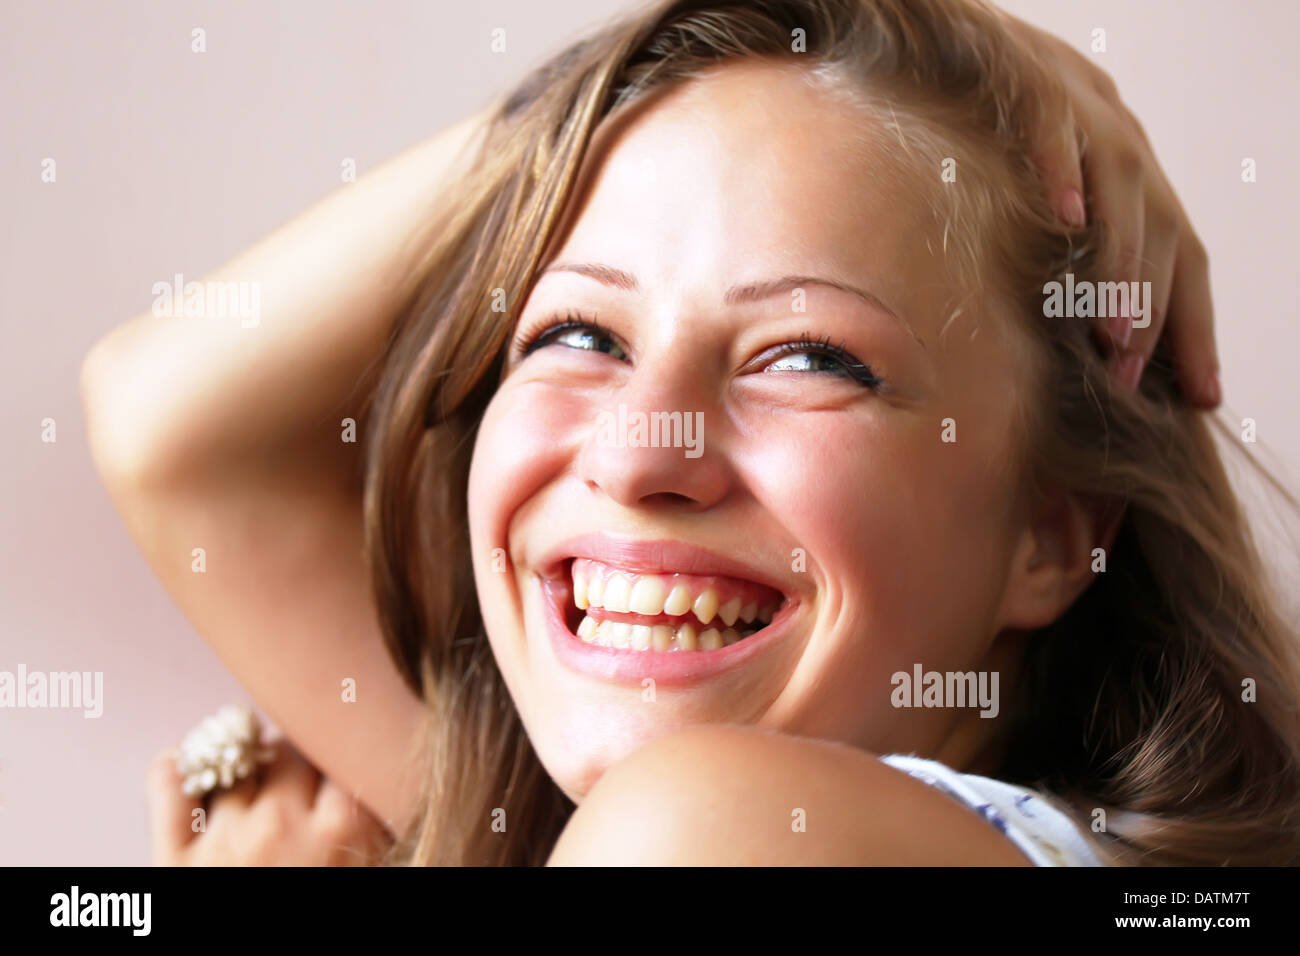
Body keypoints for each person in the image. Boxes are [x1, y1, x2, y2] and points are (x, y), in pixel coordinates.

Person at [83, 0, 1298, 866]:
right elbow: (165, 428)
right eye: (576, 334)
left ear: (1050, 532)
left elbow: (174, 434)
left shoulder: (710, 826)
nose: (633, 453)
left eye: (809, 358)